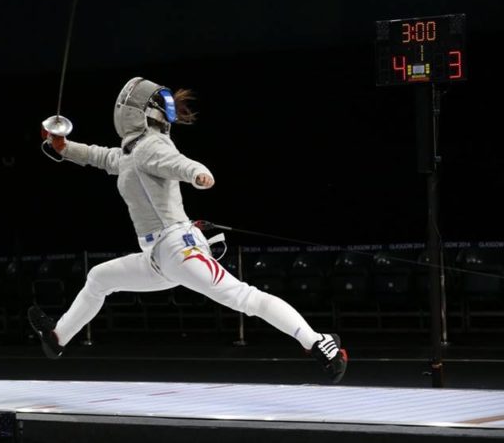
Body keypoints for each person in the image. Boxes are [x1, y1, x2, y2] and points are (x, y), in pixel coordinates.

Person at [28, 77, 348, 383]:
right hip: (157, 256)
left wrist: (197, 174)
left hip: (178, 250)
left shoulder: (152, 146)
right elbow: (100, 156)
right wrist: (63, 147)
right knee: (99, 277)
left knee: (245, 298)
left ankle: (319, 343)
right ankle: (57, 338)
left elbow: (177, 162)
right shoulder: (131, 153)